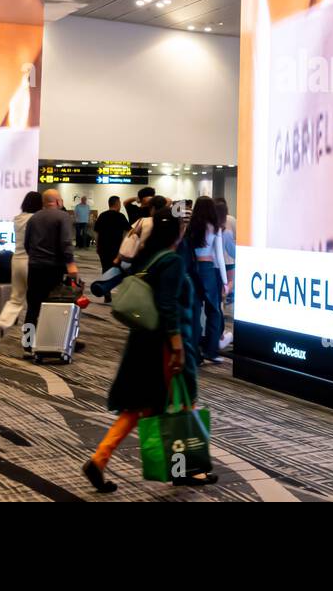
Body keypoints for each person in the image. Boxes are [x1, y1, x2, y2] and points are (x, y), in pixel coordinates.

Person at [82, 210, 215, 492]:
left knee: (141, 405)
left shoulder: (147, 257)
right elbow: (168, 305)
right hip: (165, 345)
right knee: (181, 400)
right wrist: (178, 347)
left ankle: (99, 459)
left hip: (141, 341)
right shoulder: (172, 262)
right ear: (176, 234)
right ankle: (185, 468)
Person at [22, 189, 79, 352]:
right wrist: (70, 263)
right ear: (58, 202)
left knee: (32, 306)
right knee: (54, 304)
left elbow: (27, 244)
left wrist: (35, 258)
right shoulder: (63, 216)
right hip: (54, 267)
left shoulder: (34, 218)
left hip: (34, 266)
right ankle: (54, 340)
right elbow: (66, 242)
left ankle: (27, 342)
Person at [0, 191, 42, 347]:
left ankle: (2, 322)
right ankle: (29, 341)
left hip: (17, 260)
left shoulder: (17, 219)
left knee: (16, 299)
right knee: (34, 305)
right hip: (31, 262)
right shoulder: (36, 219)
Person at [182, 196, 228, 365]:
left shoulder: (190, 227)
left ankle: (194, 353)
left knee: (194, 311)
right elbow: (219, 257)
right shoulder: (215, 228)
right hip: (208, 269)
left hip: (192, 270)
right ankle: (211, 350)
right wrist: (224, 281)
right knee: (214, 310)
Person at [93, 196, 129, 275]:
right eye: (119, 203)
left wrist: (97, 245)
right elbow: (127, 232)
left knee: (105, 268)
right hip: (116, 248)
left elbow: (96, 232)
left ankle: (104, 283)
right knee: (116, 268)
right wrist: (124, 245)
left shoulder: (102, 215)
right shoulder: (121, 216)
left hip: (103, 247)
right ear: (117, 204)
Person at [215, 197, 236, 313]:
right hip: (228, 261)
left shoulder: (209, 227)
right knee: (228, 284)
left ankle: (221, 304)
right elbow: (233, 250)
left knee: (219, 289)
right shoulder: (231, 221)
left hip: (214, 265)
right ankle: (225, 301)